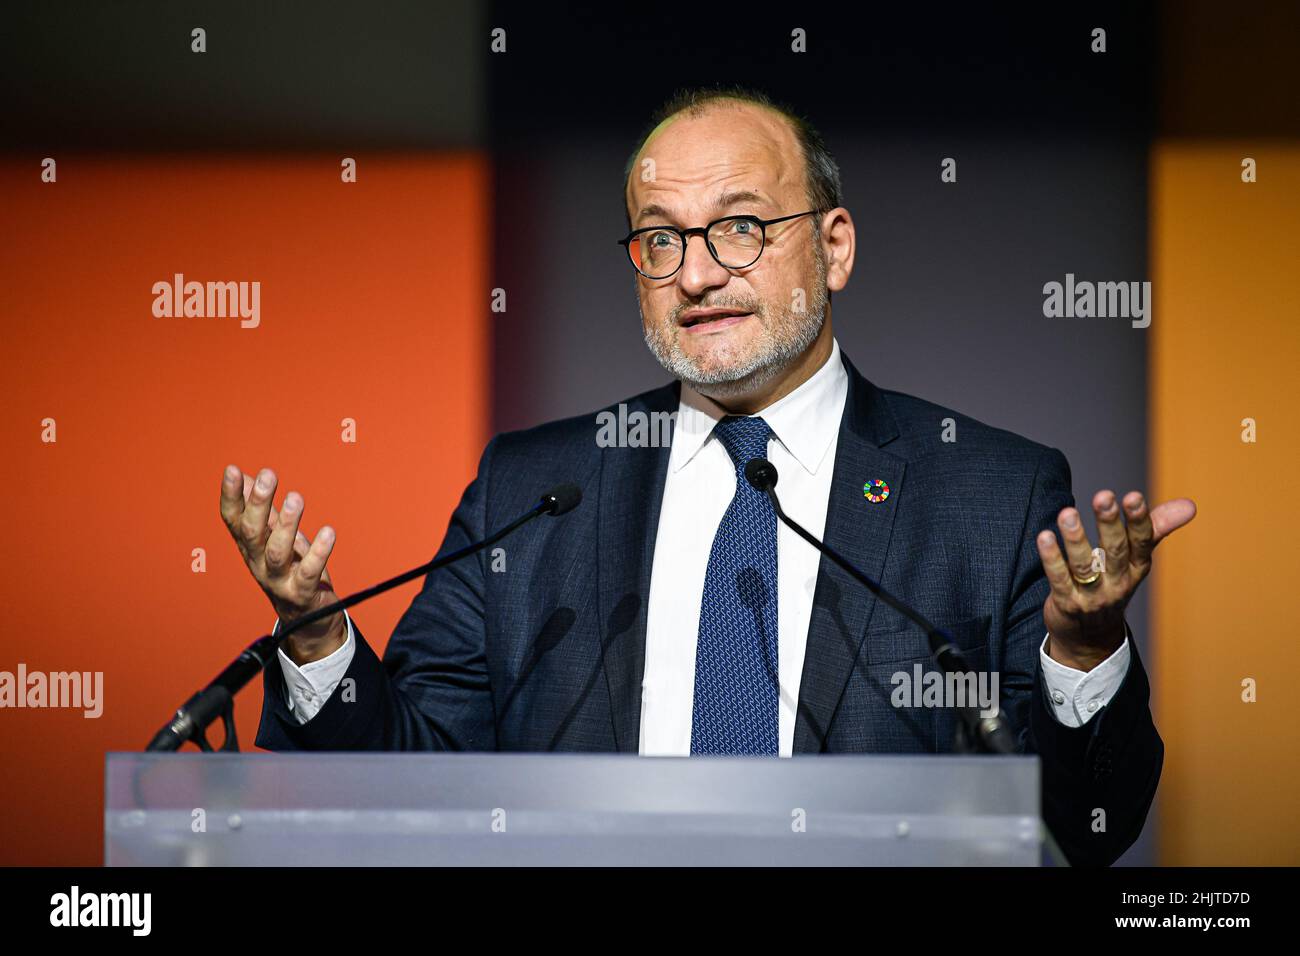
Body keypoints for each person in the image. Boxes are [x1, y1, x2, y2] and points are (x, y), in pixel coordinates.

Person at [218, 86, 1196, 866]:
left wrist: (1085, 650)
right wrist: (317, 640)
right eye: (659, 238)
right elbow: (406, 786)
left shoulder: (991, 494)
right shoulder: (533, 488)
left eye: (739, 227)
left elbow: (1093, 826)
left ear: (834, 245)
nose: (694, 274)